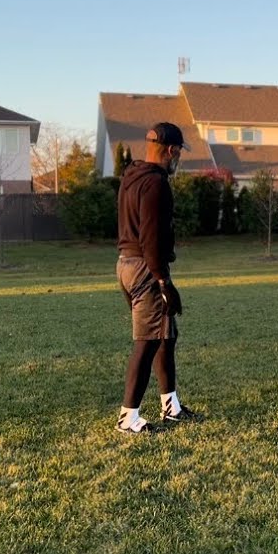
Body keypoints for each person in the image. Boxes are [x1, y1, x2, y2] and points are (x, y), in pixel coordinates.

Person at [114, 122, 198, 434]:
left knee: (165, 336)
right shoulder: (156, 184)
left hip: (126, 263)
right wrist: (164, 281)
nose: (178, 159)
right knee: (147, 341)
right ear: (172, 150)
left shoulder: (131, 176)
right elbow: (151, 238)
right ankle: (128, 418)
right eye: (179, 153)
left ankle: (171, 406)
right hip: (146, 268)